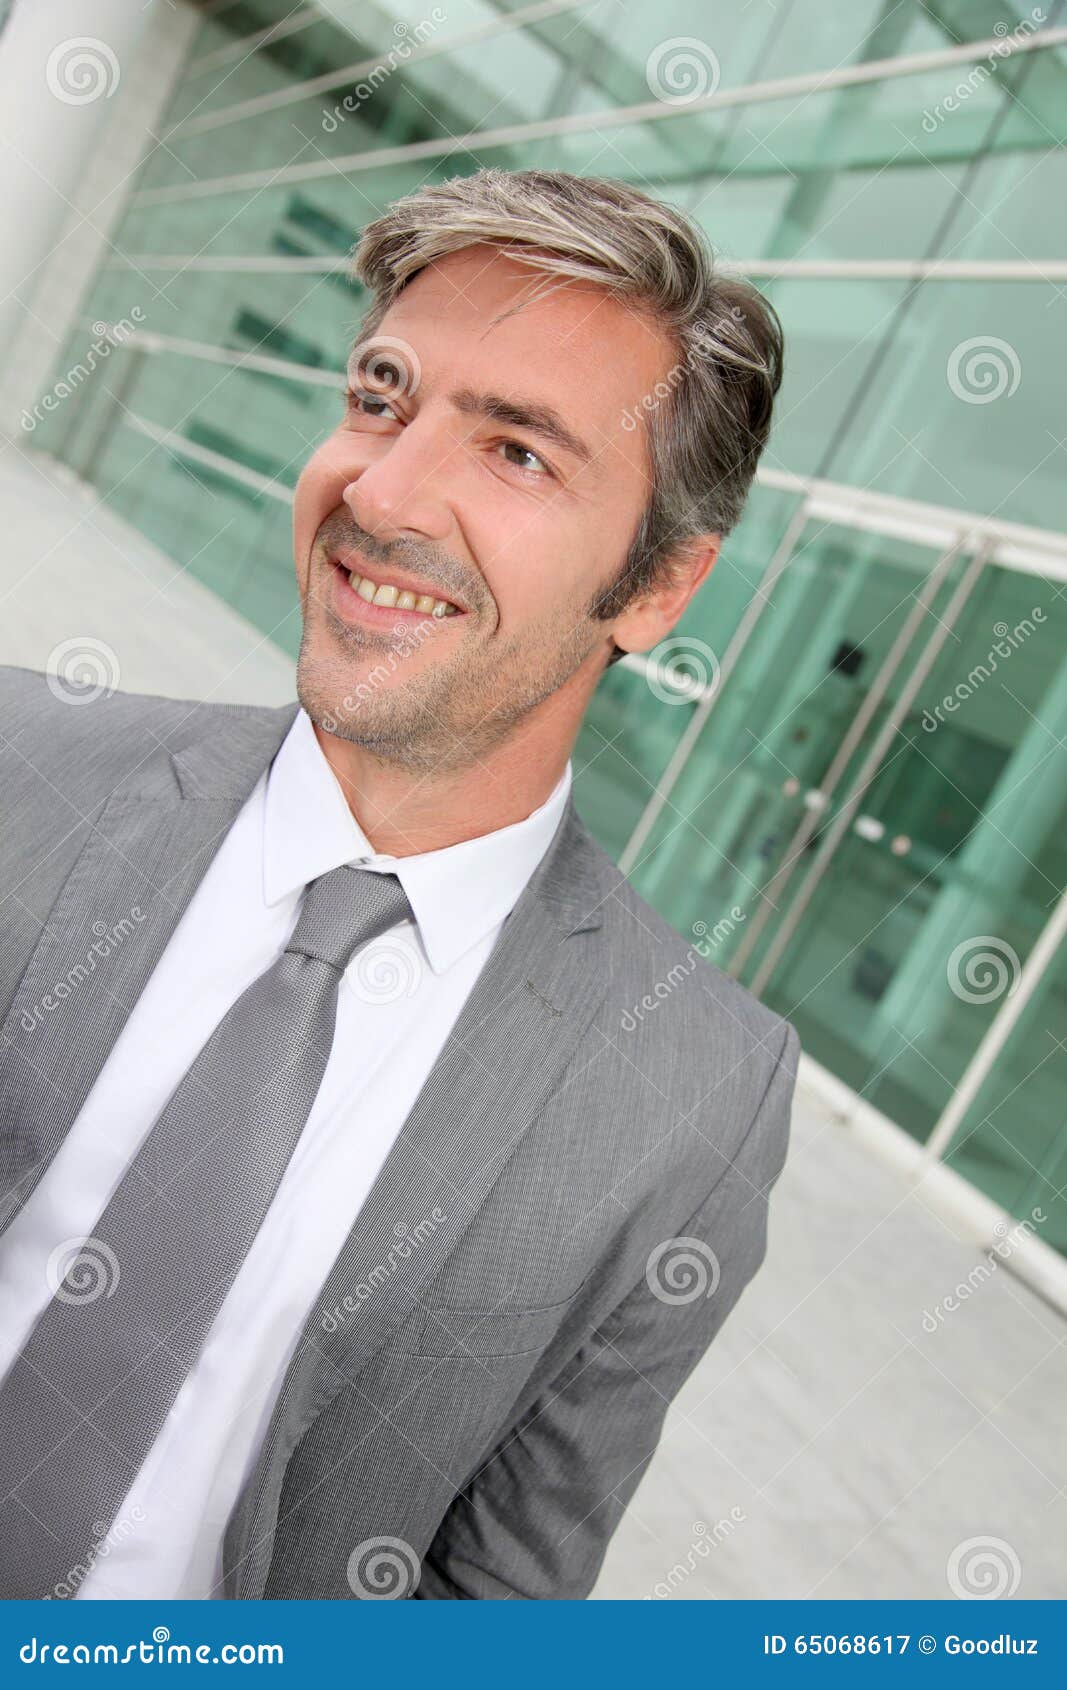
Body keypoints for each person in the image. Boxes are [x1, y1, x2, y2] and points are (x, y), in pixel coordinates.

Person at [0, 167, 797, 1601]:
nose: (382, 488)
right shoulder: (21, 766)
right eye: (383, 395)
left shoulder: (692, 1095)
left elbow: (494, 1598)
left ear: (662, 585)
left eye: (518, 453)